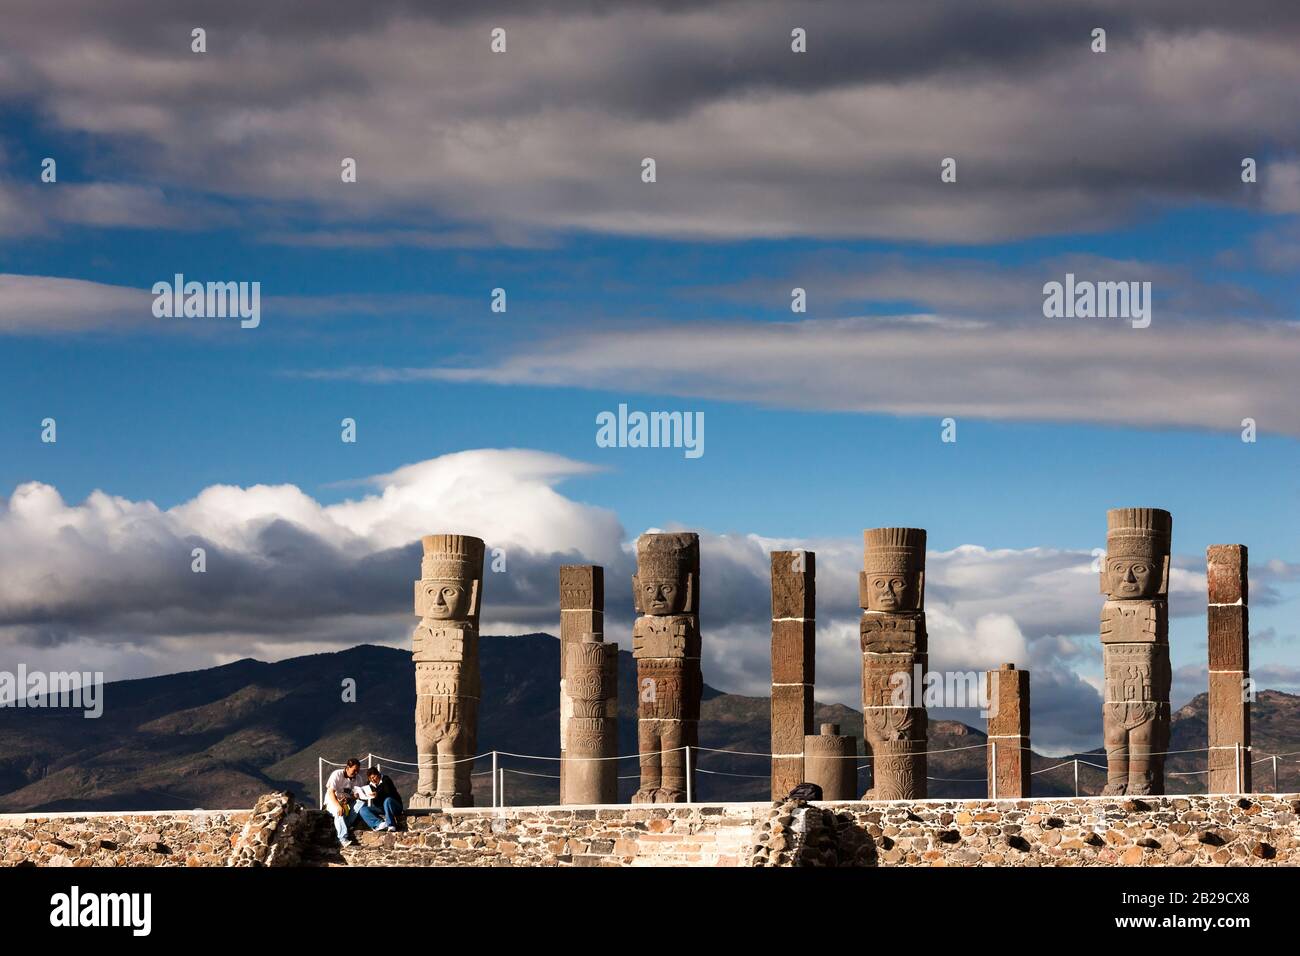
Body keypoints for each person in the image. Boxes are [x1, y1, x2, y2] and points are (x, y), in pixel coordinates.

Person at [324, 758, 363, 846]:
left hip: (347, 803)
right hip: (333, 801)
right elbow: (330, 792)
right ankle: (342, 838)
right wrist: (338, 805)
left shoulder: (358, 778)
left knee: (361, 804)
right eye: (354, 770)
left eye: (358, 771)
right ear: (347, 767)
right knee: (339, 811)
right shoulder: (336, 774)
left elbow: (357, 795)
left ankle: (345, 825)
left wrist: (351, 798)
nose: (356, 773)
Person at [356, 766, 404, 832]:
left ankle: (391, 825)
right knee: (363, 810)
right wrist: (362, 795)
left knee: (387, 800)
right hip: (380, 808)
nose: (372, 780)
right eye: (370, 778)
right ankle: (379, 824)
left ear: (378, 774)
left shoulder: (386, 780)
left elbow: (389, 793)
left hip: (394, 806)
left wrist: (377, 794)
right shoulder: (369, 784)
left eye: (373, 777)